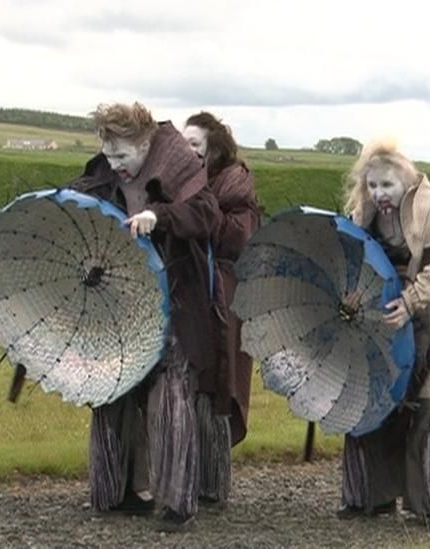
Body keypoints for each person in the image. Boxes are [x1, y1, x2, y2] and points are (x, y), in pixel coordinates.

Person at [69, 102, 221, 533]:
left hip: (176, 297)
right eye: (109, 155)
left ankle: (176, 503)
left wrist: (161, 216)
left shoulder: (180, 165)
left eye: (123, 156)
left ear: (145, 143)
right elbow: (81, 204)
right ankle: (119, 491)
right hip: (122, 300)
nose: (115, 165)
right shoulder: (103, 171)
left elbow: (207, 215)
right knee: (113, 387)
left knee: (170, 396)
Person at [337, 139, 430, 530]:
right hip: (380, 315)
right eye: (373, 186)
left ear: (406, 182)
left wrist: (412, 298)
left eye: (388, 186)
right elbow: (348, 258)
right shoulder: (361, 211)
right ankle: (371, 496)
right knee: (373, 397)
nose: (380, 194)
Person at [181, 112, 261, 507]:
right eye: (184, 144)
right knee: (190, 378)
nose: (188, 151)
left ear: (213, 148)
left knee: (216, 380)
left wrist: (203, 213)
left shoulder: (234, 182)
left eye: (195, 144)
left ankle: (211, 482)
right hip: (192, 288)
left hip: (224, 293)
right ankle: (186, 474)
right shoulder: (182, 181)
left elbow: (240, 236)